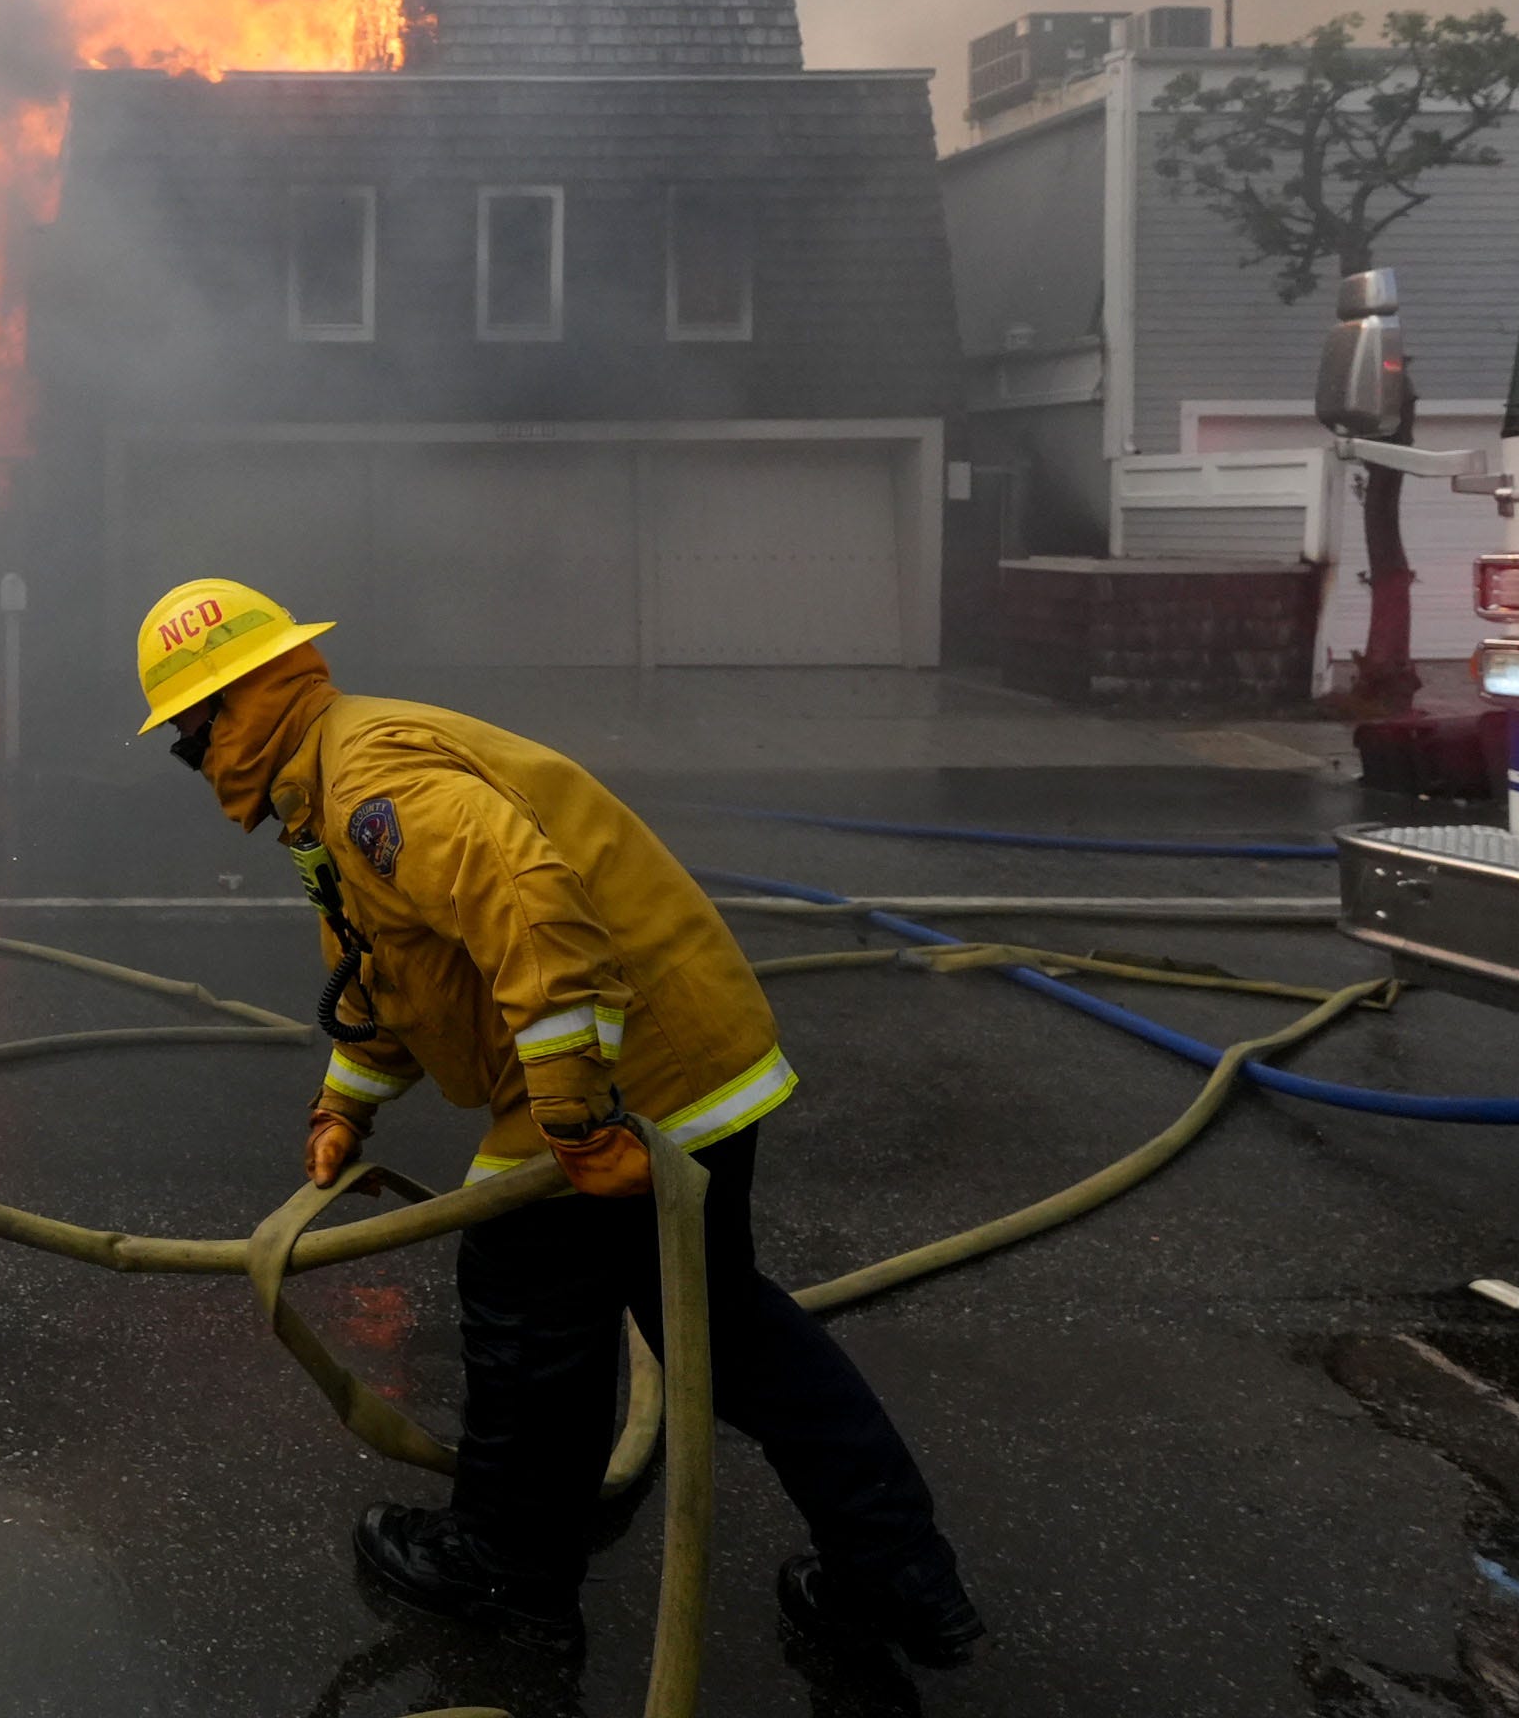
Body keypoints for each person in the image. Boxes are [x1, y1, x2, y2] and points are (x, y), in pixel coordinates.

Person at [131, 577, 983, 1665]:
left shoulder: (368, 783)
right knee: (723, 1326)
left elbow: (532, 903)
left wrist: (577, 1117)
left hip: (632, 1070)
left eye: (187, 738)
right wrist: (346, 1100)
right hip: (680, 1043)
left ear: (224, 713)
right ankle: (898, 1573)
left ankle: (510, 1568)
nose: (194, 763)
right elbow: (397, 966)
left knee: (524, 1296)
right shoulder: (332, 779)